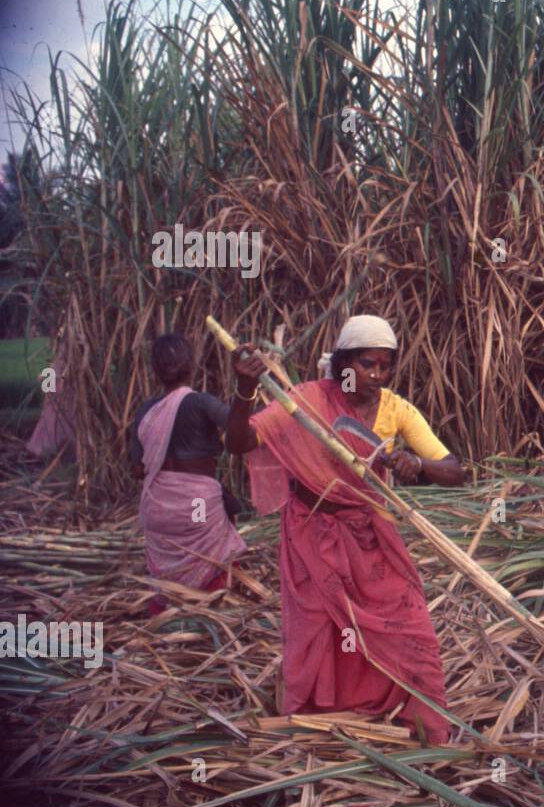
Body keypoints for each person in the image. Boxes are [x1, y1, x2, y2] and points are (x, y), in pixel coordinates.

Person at [224, 314, 465, 745]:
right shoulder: (305, 402)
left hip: (373, 539)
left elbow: (454, 470)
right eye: (366, 365)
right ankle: (323, 722)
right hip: (311, 536)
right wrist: (245, 390)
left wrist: (419, 465)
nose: (376, 375)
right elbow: (240, 441)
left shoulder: (396, 410)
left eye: (384, 366)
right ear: (341, 364)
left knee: (410, 627)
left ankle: (423, 726)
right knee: (322, 630)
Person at [129, 334, 247, 616]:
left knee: (173, 560)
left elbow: (137, 469)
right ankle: (209, 611)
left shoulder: (146, 411)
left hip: (158, 509)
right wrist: (248, 388)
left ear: (155, 370)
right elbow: (242, 427)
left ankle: (167, 608)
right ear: (192, 366)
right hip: (196, 506)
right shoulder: (202, 403)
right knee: (218, 557)